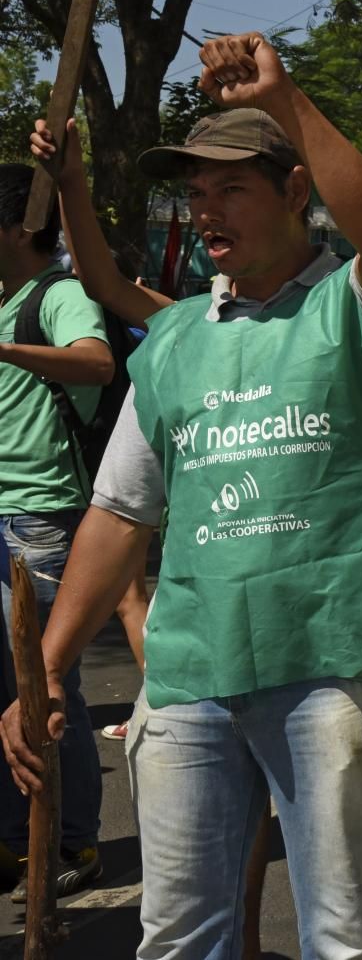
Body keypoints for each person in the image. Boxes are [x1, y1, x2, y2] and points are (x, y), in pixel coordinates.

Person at [1, 33, 362, 958]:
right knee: (178, 936)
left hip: (330, 671)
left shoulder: (360, 308)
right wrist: (47, 668)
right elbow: (119, 514)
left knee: (344, 936)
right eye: (196, 193)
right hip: (188, 680)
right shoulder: (176, 339)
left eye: (231, 188)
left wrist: (286, 100)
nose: (206, 211)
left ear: (295, 191)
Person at [0, 163, 111, 898]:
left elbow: (94, 364)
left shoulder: (59, 295)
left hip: (38, 515)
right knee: (5, 691)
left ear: (17, 228)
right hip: (2, 510)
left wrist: (5, 349)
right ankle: (15, 839)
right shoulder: (4, 299)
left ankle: (71, 840)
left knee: (44, 685)